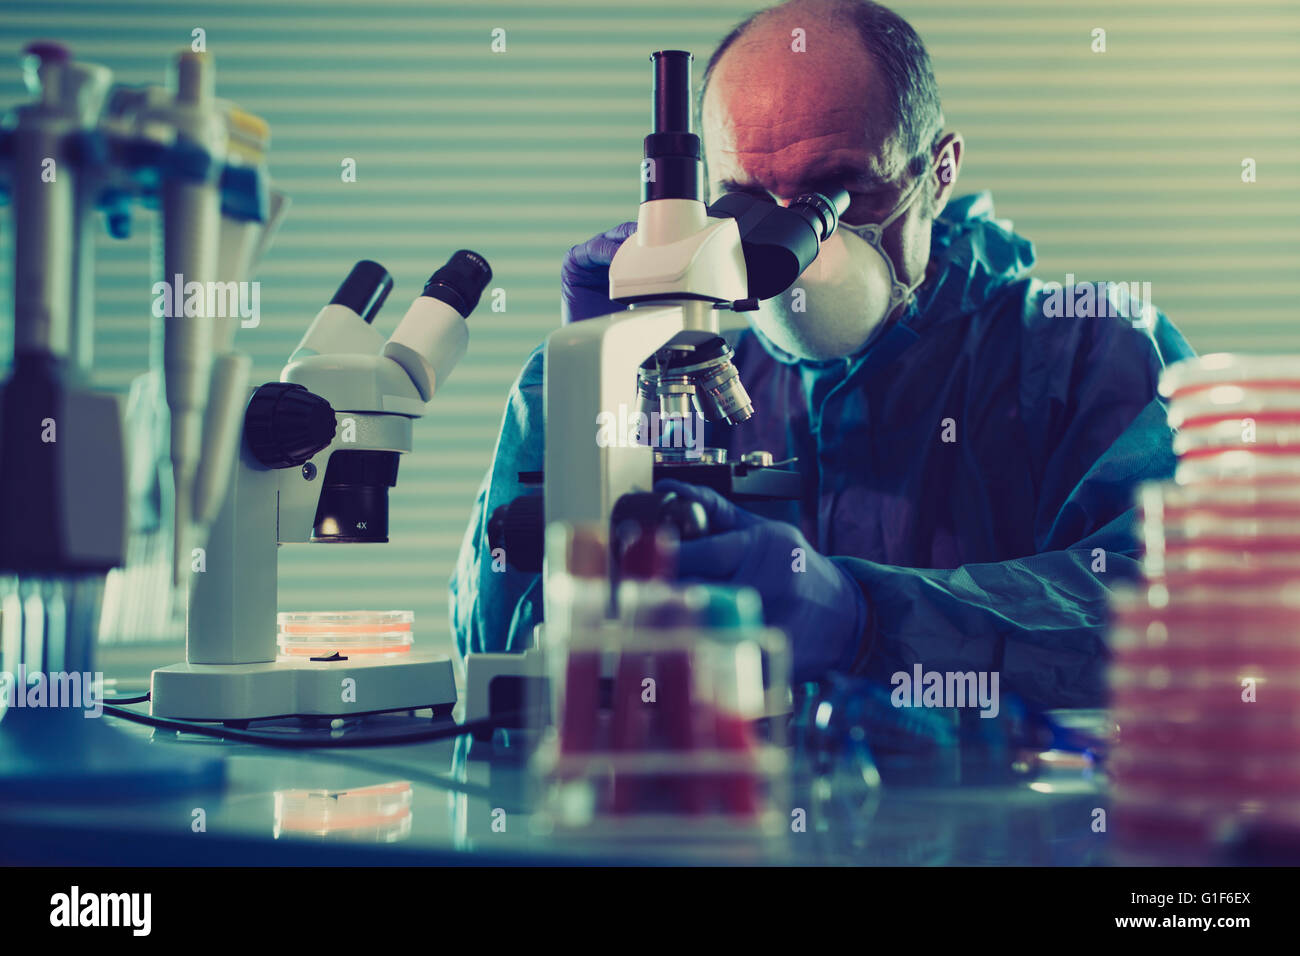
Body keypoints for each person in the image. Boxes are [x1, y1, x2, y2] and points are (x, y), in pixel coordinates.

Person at [450, 0, 1193, 710]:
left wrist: (870, 621)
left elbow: (1168, 620)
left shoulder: (1091, 348)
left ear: (939, 170)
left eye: (835, 195)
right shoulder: (703, 373)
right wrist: (581, 381)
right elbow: (502, 651)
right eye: (742, 201)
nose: (797, 256)